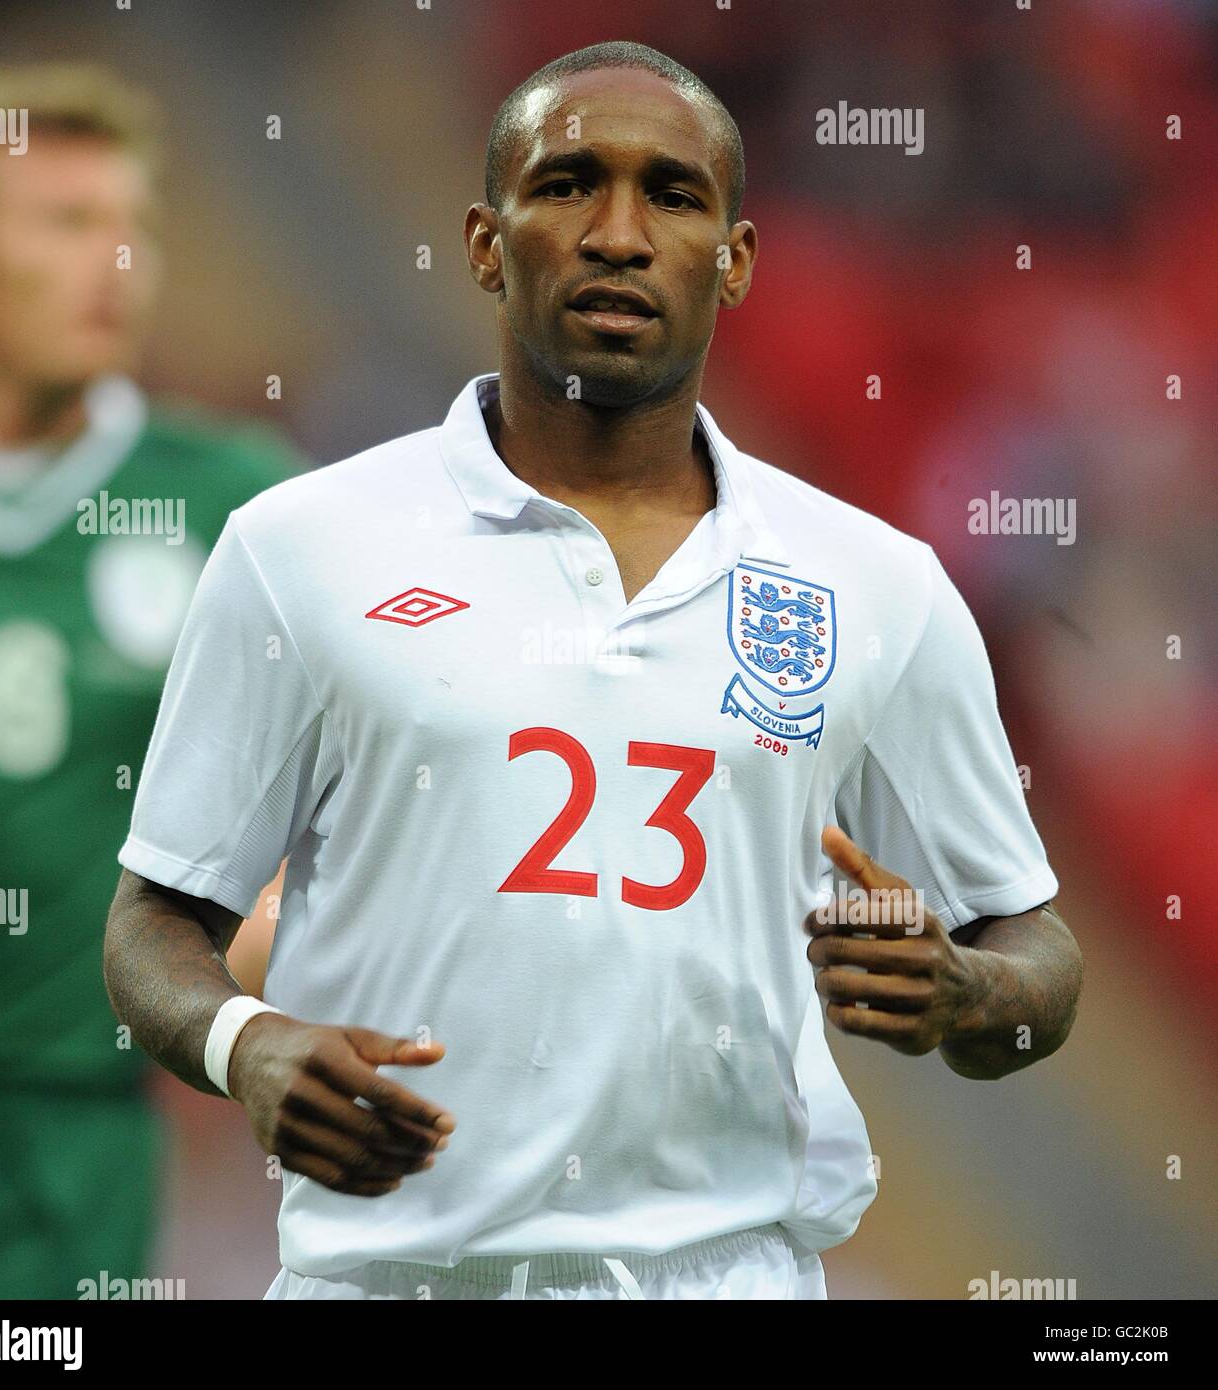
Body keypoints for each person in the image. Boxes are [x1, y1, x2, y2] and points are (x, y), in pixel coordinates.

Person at [104, 41, 1082, 1301]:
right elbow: (155, 920)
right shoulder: (303, 549)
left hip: (726, 1275)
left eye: (672, 195)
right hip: (393, 1275)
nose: (618, 233)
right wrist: (244, 1043)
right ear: (483, 239)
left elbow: (1033, 947)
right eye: (567, 183)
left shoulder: (872, 585)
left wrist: (968, 992)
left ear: (733, 261)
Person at [0, 64, 303, 1298]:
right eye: (67, 223)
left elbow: (312, 832)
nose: (118, 261)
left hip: (62, 1139)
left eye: (134, 226)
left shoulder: (234, 504)